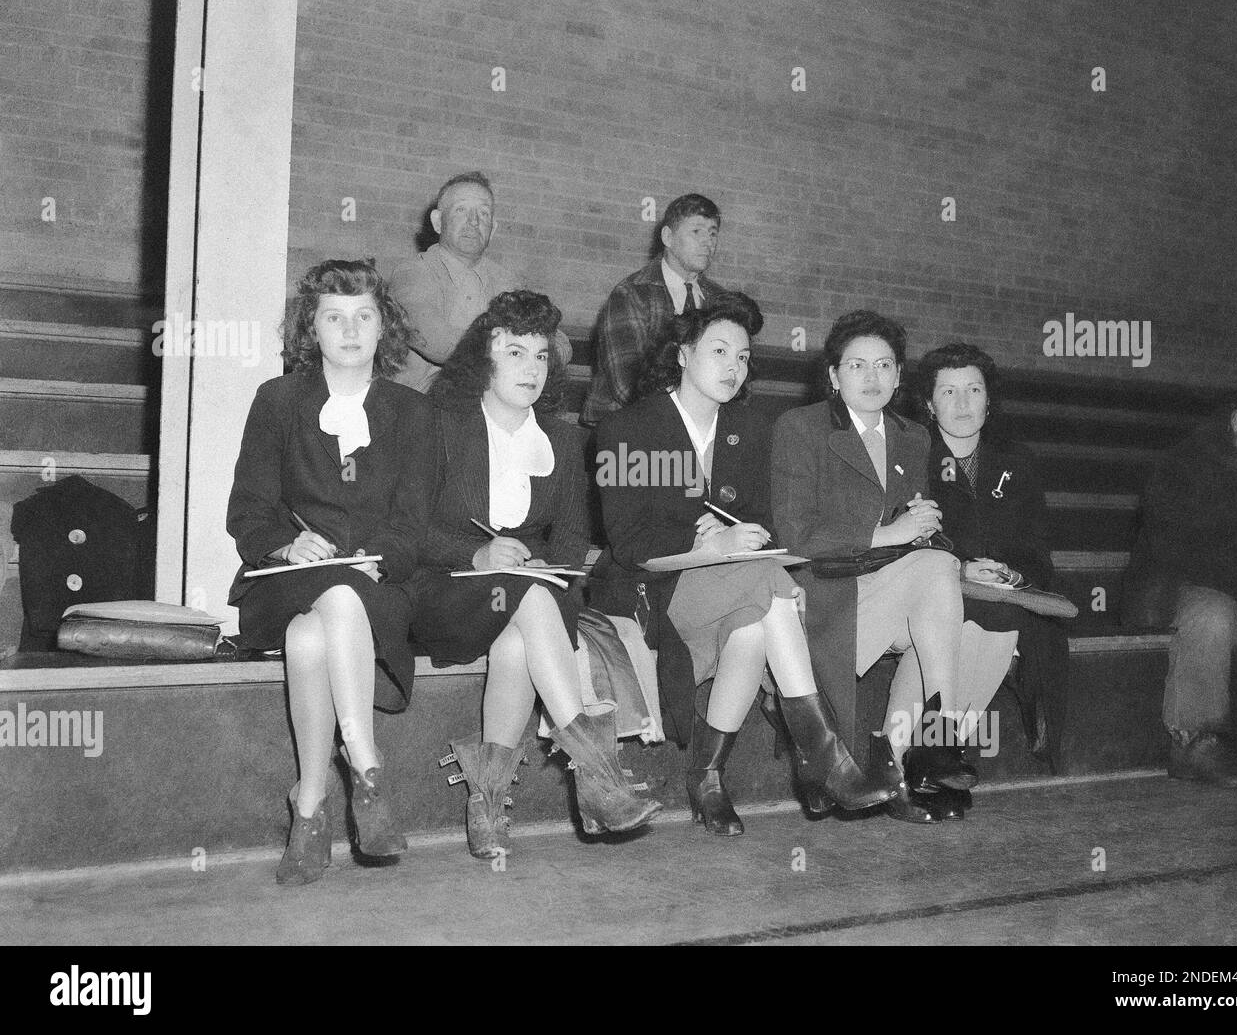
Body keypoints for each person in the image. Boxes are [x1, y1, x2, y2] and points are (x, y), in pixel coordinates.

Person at [594, 292, 893, 837]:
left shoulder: (752, 429)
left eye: (744, 357)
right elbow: (625, 541)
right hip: (651, 588)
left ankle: (707, 777)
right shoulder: (626, 429)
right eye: (720, 351)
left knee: (754, 632)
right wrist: (704, 542)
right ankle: (827, 756)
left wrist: (744, 541)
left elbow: (773, 524)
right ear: (682, 353)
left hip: (736, 587)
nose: (735, 367)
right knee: (766, 587)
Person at [404, 290, 660, 857]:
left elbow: (572, 536)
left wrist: (547, 562)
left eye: (541, 356)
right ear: (483, 360)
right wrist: (476, 555)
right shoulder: (440, 426)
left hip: (525, 600)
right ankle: (597, 772)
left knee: (519, 645)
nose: (531, 369)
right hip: (445, 592)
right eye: (515, 352)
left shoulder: (565, 441)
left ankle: (488, 804)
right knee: (530, 603)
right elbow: (409, 531)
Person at [227, 258, 434, 885]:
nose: (350, 329)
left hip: (378, 583)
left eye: (364, 316)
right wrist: (289, 545)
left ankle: (310, 808)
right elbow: (248, 512)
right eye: (333, 317)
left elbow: (415, 522)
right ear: (310, 330)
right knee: (327, 600)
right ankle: (367, 766)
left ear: (383, 327)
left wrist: (382, 557)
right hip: (286, 580)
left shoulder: (413, 412)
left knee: (311, 635)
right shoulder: (278, 400)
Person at [771, 311, 979, 826]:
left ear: (899, 376)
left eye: (885, 365)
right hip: (827, 587)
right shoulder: (801, 428)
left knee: (939, 575)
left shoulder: (913, 436)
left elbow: (916, 524)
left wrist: (925, 527)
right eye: (858, 365)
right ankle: (938, 743)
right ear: (833, 375)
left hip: (897, 582)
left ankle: (897, 767)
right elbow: (795, 537)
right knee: (938, 584)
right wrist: (890, 533)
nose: (872, 377)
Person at [916, 342, 1071, 815]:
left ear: (989, 401)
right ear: (929, 404)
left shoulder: (1017, 462)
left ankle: (941, 750)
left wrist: (1011, 572)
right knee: (979, 611)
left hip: (1003, 592)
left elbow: (1038, 549)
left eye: (973, 390)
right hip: (938, 587)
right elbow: (908, 541)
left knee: (1000, 608)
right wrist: (963, 566)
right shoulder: (913, 455)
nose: (962, 404)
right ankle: (939, 751)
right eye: (948, 392)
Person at [1123, 378, 1237, 787]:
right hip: (1173, 583)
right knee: (1214, 612)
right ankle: (1193, 743)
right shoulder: (1186, 462)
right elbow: (1180, 546)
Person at [389, 171, 570, 393]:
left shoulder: (506, 280)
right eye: (461, 209)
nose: (473, 221)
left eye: (483, 213)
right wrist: (525, 350)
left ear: (492, 230)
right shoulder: (412, 274)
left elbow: (559, 342)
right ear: (438, 222)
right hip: (421, 404)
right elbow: (440, 344)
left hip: (490, 404)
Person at [581, 193, 726, 425]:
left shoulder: (720, 300)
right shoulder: (631, 293)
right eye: (697, 231)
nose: (708, 242)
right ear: (668, 236)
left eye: (713, 233)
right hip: (623, 426)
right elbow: (627, 383)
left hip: (694, 426)